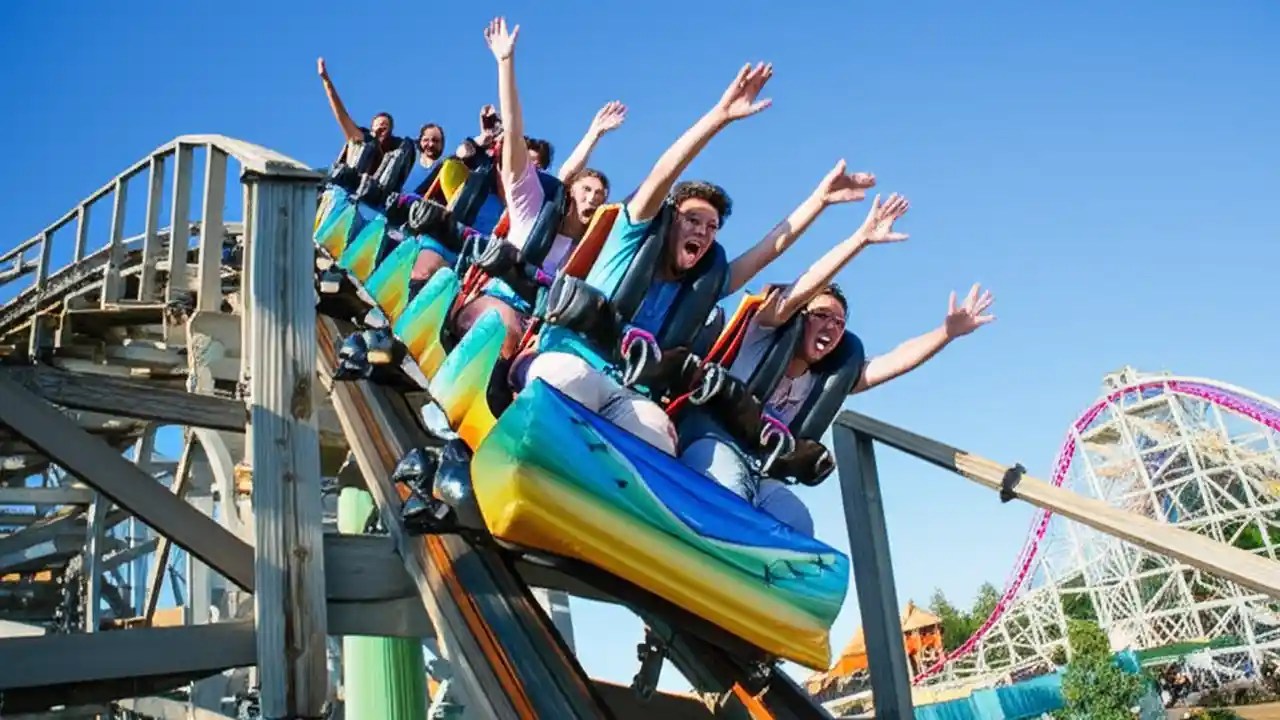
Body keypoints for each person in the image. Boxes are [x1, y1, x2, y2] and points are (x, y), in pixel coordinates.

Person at [518, 60, 876, 455]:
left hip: (626, 390)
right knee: (568, 383)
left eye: (711, 227)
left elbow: (770, 248)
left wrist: (820, 202)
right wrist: (719, 117)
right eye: (693, 220)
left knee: (658, 436)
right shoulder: (631, 237)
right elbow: (663, 174)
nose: (702, 233)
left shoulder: (708, 281)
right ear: (670, 222)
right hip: (570, 357)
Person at [679, 194, 997, 536]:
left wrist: (947, 333)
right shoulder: (763, 333)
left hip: (760, 468)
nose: (831, 326)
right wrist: (861, 239)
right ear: (799, 318)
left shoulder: (828, 378)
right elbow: (805, 285)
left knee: (797, 522)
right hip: (711, 443)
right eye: (822, 316)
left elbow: (896, 359)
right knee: (732, 487)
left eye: (839, 322)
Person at [449, 18, 627, 358]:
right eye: (586, 190)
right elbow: (514, 134)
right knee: (504, 332)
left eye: (600, 196)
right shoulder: (531, 207)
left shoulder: (585, 250)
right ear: (570, 192)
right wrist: (505, 63)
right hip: (497, 300)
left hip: (540, 326)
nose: (593, 199)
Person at [317, 57, 401, 173]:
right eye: (377, 126)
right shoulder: (364, 140)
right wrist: (327, 82)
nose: (380, 129)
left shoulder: (395, 155)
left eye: (384, 127)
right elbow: (341, 115)